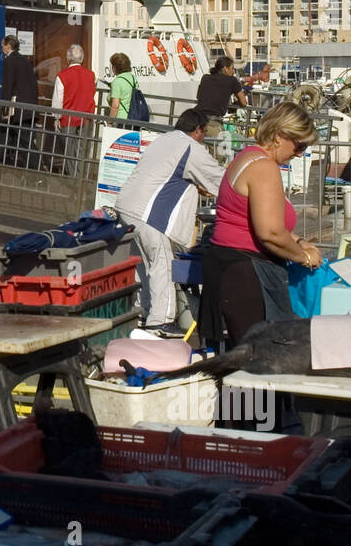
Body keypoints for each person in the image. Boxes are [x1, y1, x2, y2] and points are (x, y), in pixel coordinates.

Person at [198, 101, 322, 348]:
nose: (300, 154)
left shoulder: (248, 157)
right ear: (278, 136)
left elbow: (264, 222)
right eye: (299, 145)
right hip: (245, 272)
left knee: (245, 357)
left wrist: (300, 241)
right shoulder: (264, 167)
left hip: (232, 266)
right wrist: (304, 258)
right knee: (257, 360)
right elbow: (271, 233)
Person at [115, 108, 225, 335]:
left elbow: (169, 176)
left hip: (126, 205)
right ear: (197, 130)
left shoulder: (163, 140)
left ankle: (143, 314)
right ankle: (161, 321)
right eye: (203, 133)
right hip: (148, 214)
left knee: (144, 267)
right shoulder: (191, 147)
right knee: (162, 262)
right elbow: (219, 178)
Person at [50, 44, 96, 175]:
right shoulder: (91, 75)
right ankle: (82, 178)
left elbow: (58, 100)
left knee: (69, 152)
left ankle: (75, 180)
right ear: (82, 58)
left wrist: (57, 118)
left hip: (68, 118)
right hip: (87, 118)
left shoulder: (62, 76)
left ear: (68, 58)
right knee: (83, 151)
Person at [0, 34, 38, 166]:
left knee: (24, 140)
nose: (1, 48)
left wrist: (4, 109)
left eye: (3, 46)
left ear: (8, 46)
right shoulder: (25, 60)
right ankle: (24, 169)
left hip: (19, 108)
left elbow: (8, 86)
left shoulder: (9, 61)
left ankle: (37, 171)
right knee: (21, 138)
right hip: (30, 106)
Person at [195, 55, 247, 137]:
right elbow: (244, 102)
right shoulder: (232, 80)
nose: (233, 71)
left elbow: (199, 97)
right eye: (232, 68)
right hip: (212, 124)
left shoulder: (205, 78)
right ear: (225, 69)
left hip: (195, 120)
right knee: (217, 149)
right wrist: (234, 105)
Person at [107, 53, 138, 120]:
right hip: (133, 116)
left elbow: (115, 105)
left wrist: (110, 121)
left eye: (112, 66)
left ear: (115, 67)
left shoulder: (117, 82)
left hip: (121, 119)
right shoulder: (132, 77)